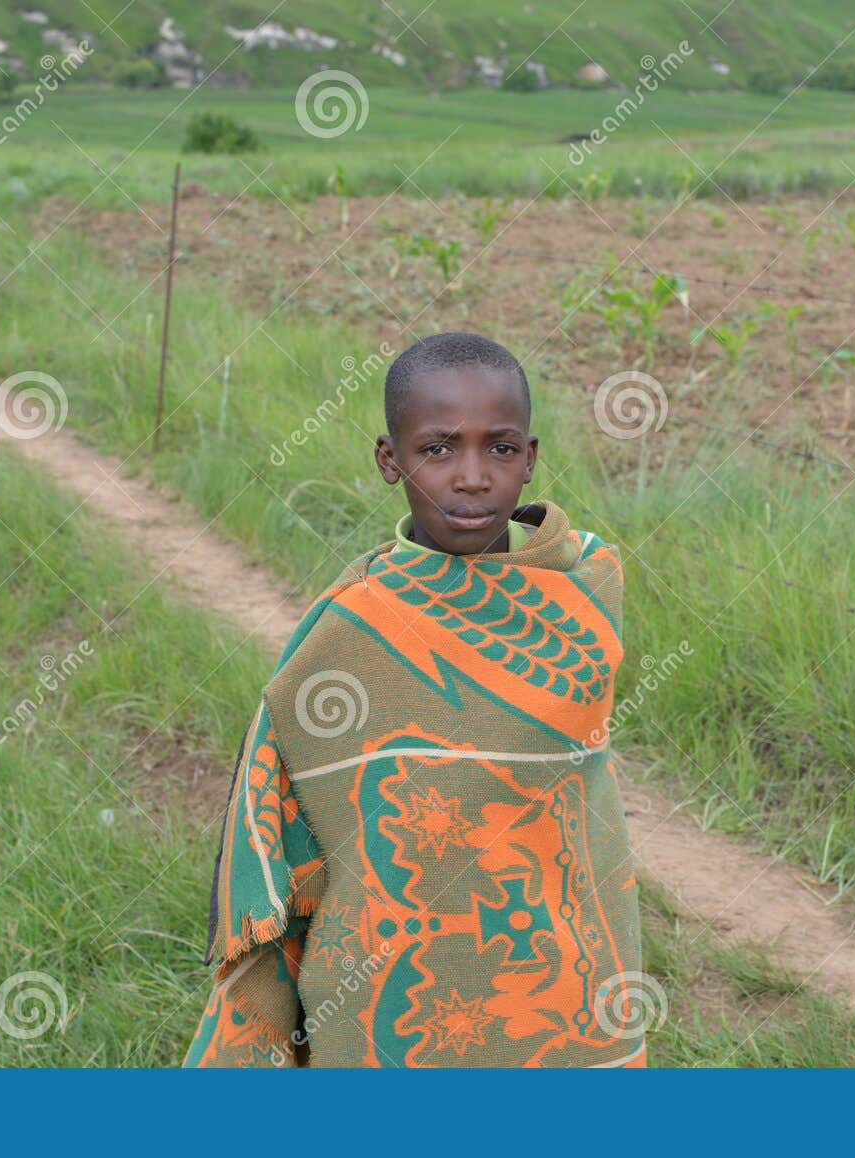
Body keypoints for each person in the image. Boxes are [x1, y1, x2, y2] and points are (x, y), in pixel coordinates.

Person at [183, 332, 644, 1068]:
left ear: (529, 457)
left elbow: (585, 812)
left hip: (563, 976)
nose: (470, 477)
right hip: (385, 989)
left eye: (498, 449)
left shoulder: (585, 594)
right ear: (389, 459)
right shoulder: (351, 630)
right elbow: (284, 803)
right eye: (437, 450)